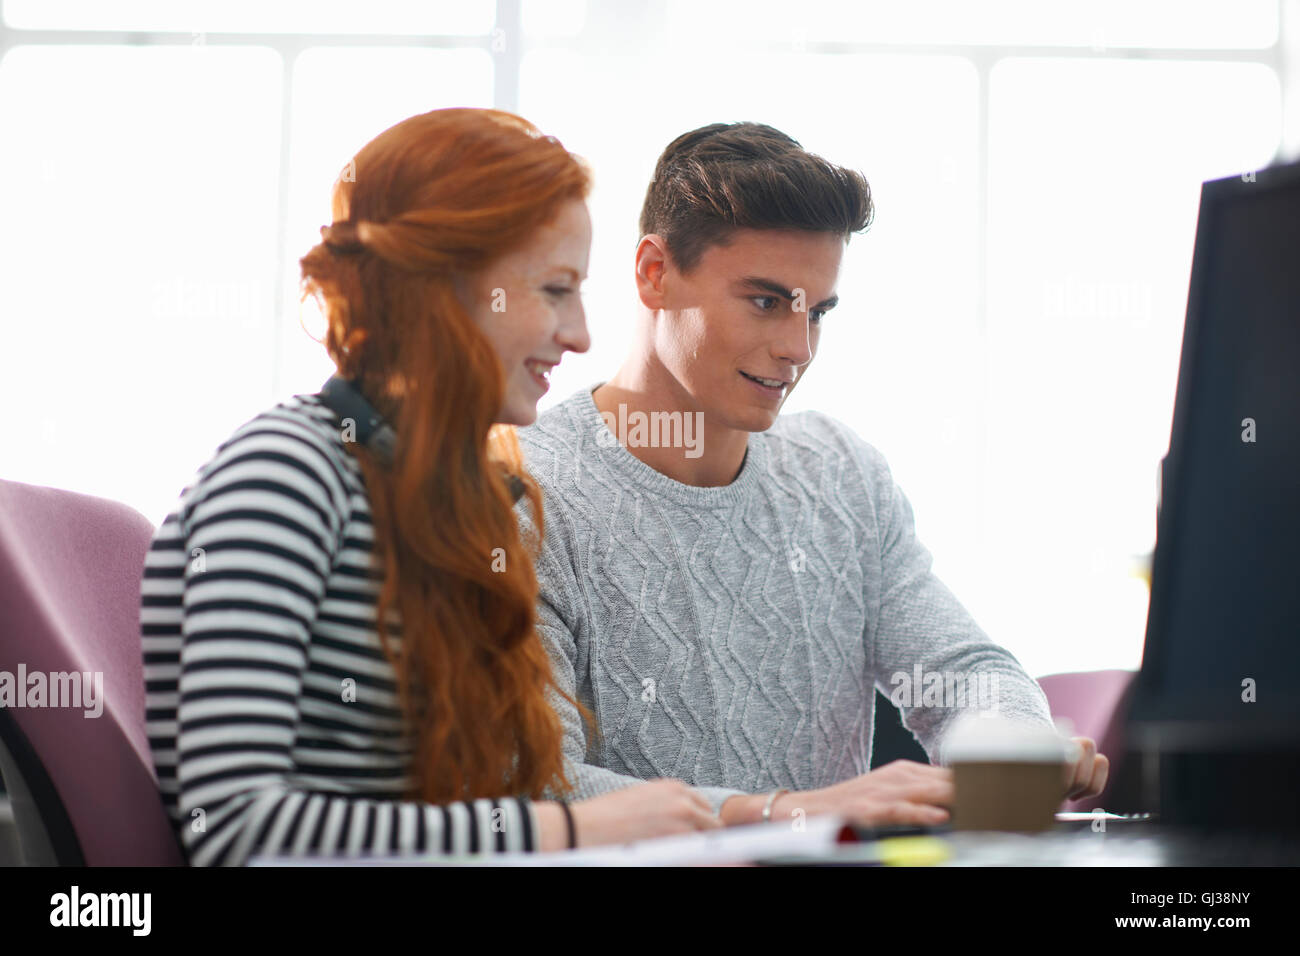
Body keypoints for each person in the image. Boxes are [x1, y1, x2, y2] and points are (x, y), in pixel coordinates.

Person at [139, 108, 720, 866]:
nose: (579, 334)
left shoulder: (453, 497)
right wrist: (568, 831)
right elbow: (240, 830)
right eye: (553, 290)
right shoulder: (286, 473)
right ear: (438, 289)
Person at [517, 121, 1109, 828]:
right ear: (655, 273)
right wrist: (789, 813)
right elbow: (539, 788)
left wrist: (1016, 741)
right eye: (765, 301)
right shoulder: (526, 493)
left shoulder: (839, 474)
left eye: (818, 312)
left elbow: (961, 667)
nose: (797, 349)